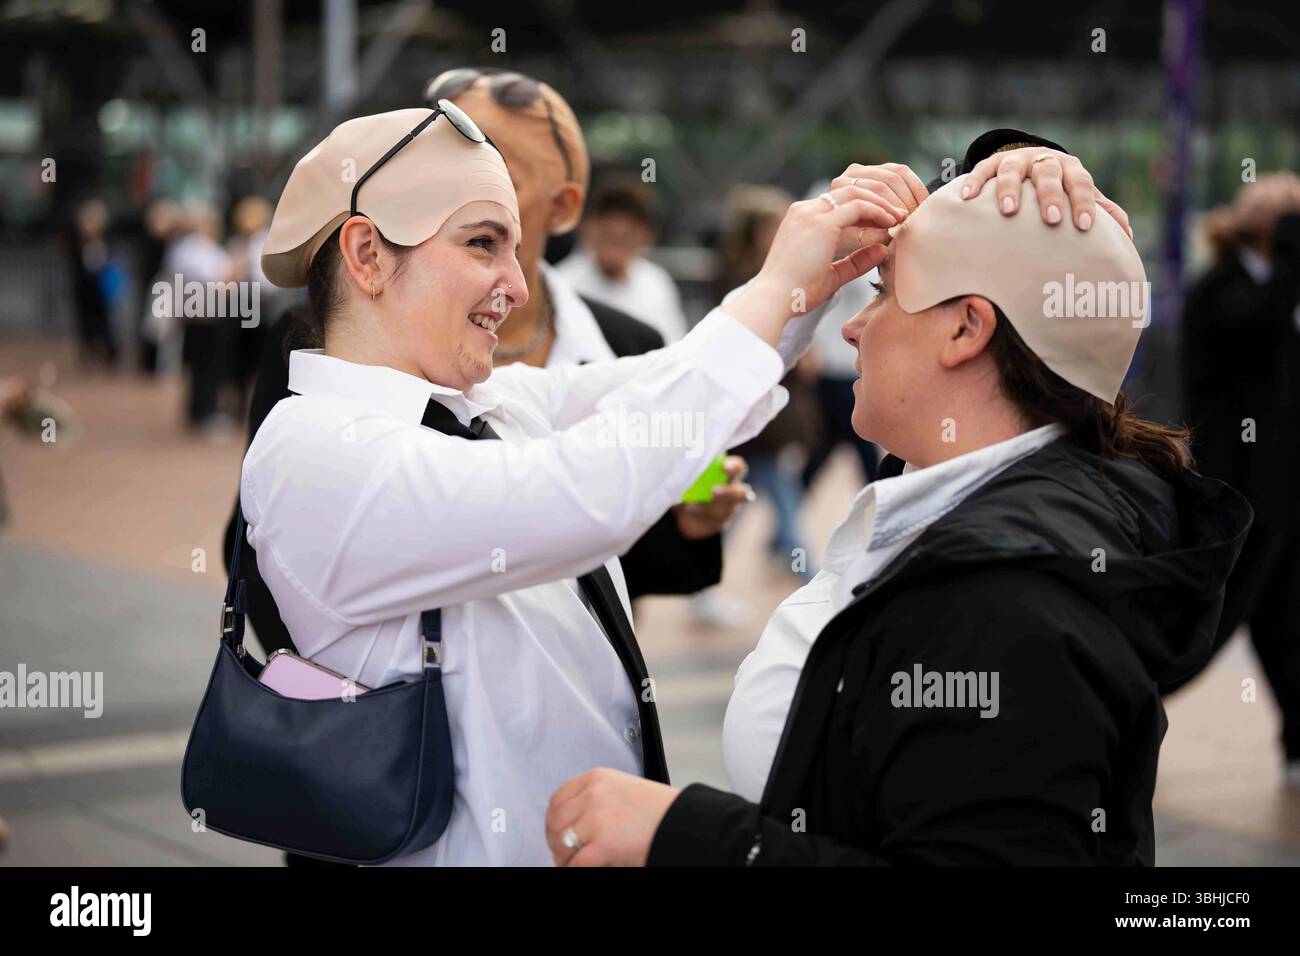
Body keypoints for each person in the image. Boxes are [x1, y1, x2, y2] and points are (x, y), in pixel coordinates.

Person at [544, 148, 1252, 867]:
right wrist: (1006, 167)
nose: (852, 327)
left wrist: (688, 837)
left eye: (881, 291)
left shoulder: (1007, 600)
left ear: (965, 330)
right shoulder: (1003, 509)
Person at [239, 102, 896, 865]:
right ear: (367, 255)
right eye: (483, 243)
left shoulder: (477, 404)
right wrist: (780, 278)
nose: (517, 286)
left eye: (516, 248)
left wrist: (807, 283)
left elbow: (656, 391)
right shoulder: (312, 449)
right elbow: (592, 489)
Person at [1177, 172, 1300, 778]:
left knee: (1283, 615)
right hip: (1235, 485)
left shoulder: (1267, 284)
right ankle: (1127, 701)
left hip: (1275, 485)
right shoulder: (1222, 288)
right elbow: (1260, 324)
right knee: (1219, 613)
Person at [555, 175, 690, 345]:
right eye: (608, 235)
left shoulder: (657, 283)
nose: (616, 247)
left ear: (646, 236)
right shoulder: (562, 284)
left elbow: (674, 345)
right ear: (588, 229)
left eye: (626, 237)